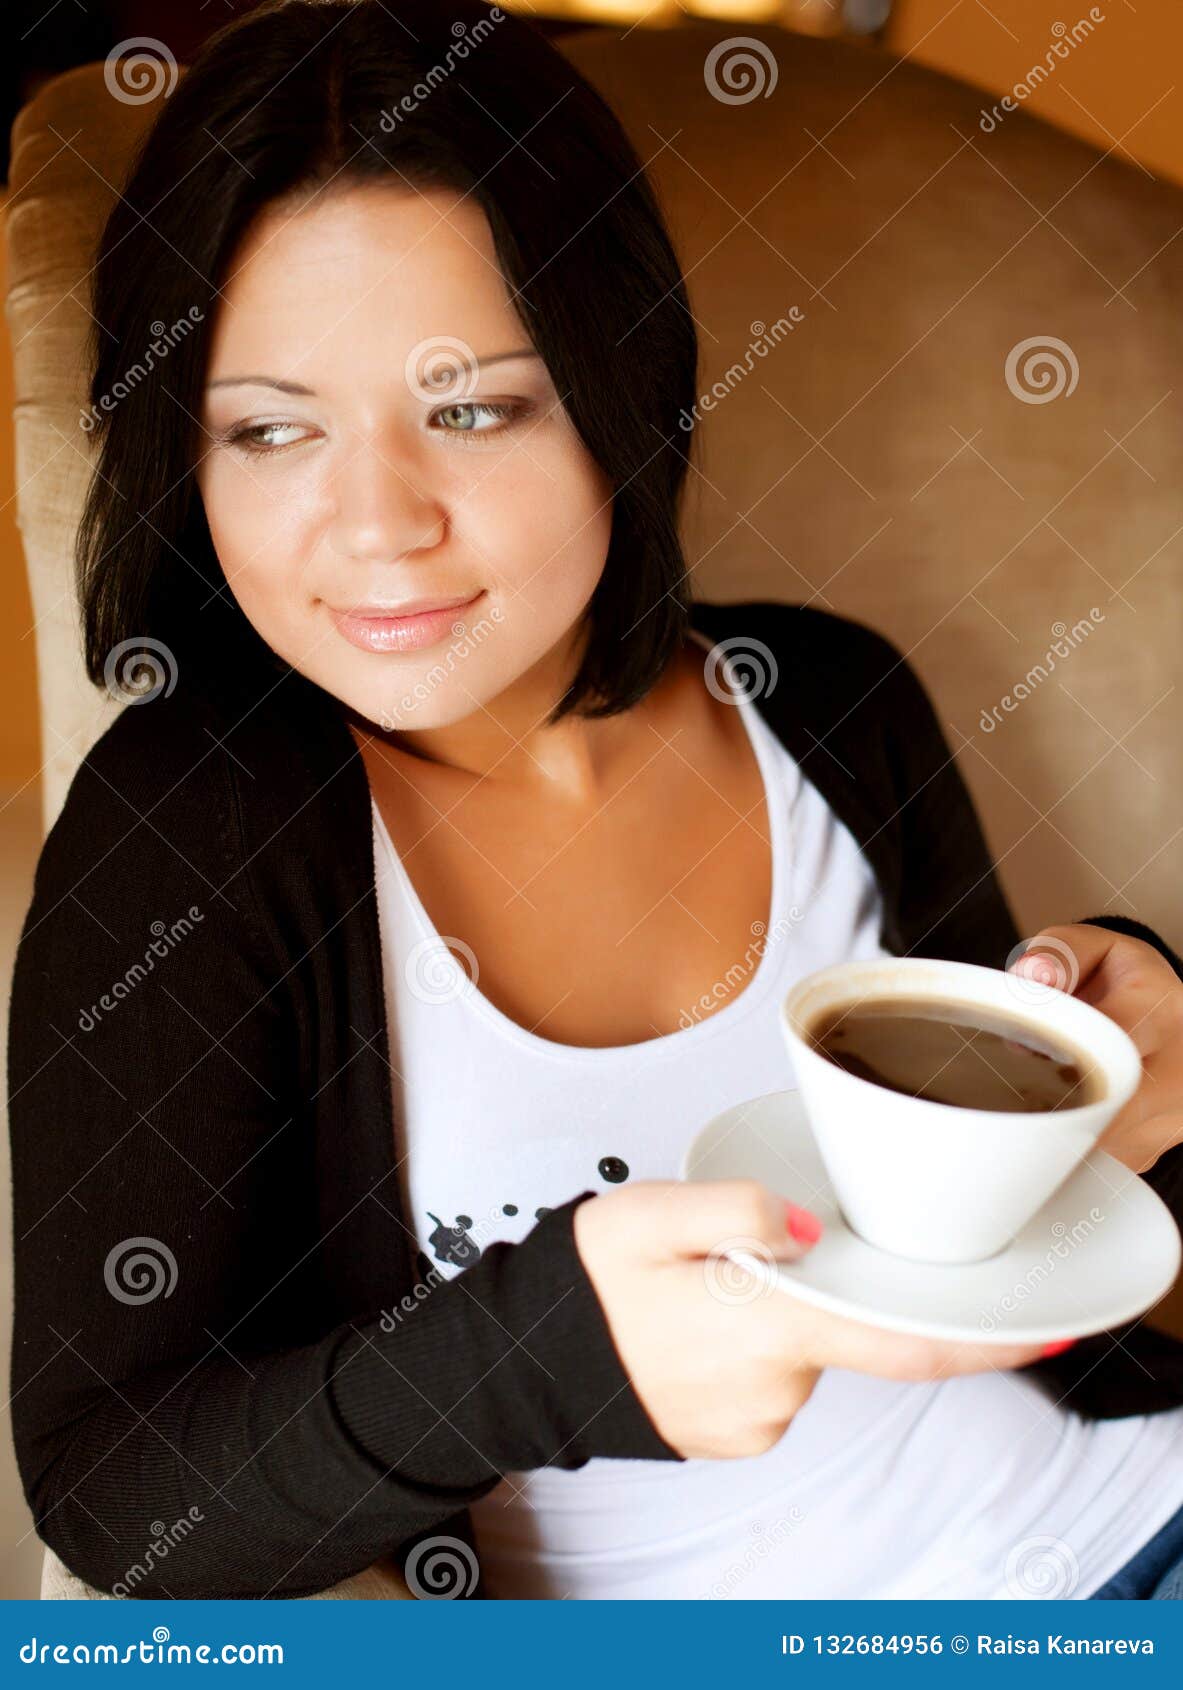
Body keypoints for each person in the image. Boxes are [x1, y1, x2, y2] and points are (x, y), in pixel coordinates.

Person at [9, 0, 1183, 1602]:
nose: (375, 528)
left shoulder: (830, 702)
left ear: (620, 390)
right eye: (270, 429)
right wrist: (554, 1343)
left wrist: (1130, 1038)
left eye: (473, 408)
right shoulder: (185, 833)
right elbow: (115, 1490)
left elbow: (997, 1211)